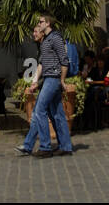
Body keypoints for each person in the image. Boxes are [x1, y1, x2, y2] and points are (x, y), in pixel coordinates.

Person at [16, 12, 74, 157]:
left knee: (39, 110)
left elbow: (64, 60)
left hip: (53, 78)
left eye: (41, 22)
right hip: (48, 78)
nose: (39, 24)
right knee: (57, 114)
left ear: (48, 23)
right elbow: (42, 64)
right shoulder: (46, 40)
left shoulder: (56, 38)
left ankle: (45, 147)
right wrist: (35, 81)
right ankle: (66, 147)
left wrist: (62, 79)